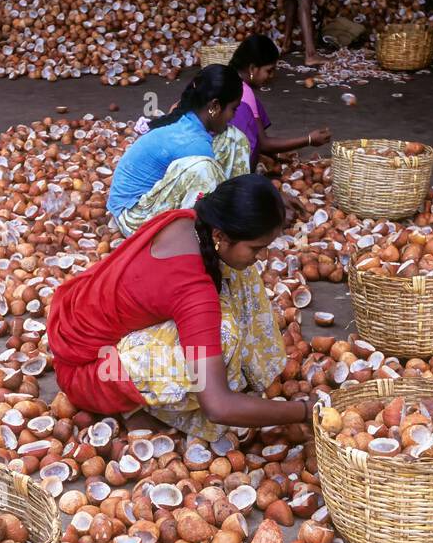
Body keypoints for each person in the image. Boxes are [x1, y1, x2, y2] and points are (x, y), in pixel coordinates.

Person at [50, 175, 308, 441]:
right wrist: (304, 411)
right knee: (223, 334)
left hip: (75, 331)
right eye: (257, 247)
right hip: (87, 374)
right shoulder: (194, 290)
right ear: (219, 235)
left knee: (243, 272)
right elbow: (218, 407)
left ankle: (255, 374)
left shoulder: (188, 220)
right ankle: (136, 407)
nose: (263, 255)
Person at [106, 65, 251, 237]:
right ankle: (204, 238)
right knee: (203, 170)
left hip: (142, 199)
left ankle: (237, 215)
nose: (233, 116)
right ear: (215, 106)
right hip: (134, 216)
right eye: (233, 109)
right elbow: (210, 187)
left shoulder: (187, 119)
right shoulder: (195, 145)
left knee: (233, 138)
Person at [228, 35, 331, 171]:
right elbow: (263, 143)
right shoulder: (243, 92)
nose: (271, 76)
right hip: (222, 160)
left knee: (255, 106)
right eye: (269, 70)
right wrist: (309, 139)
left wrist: (275, 153)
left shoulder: (227, 77)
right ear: (253, 69)